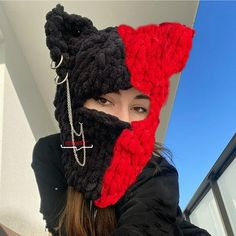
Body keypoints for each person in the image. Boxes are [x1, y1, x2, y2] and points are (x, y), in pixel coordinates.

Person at [31, 4, 211, 236]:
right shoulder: (52, 154)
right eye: (104, 100)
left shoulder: (155, 171)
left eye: (138, 108)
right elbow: (57, 226)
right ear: (74, 105)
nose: (124, 122)